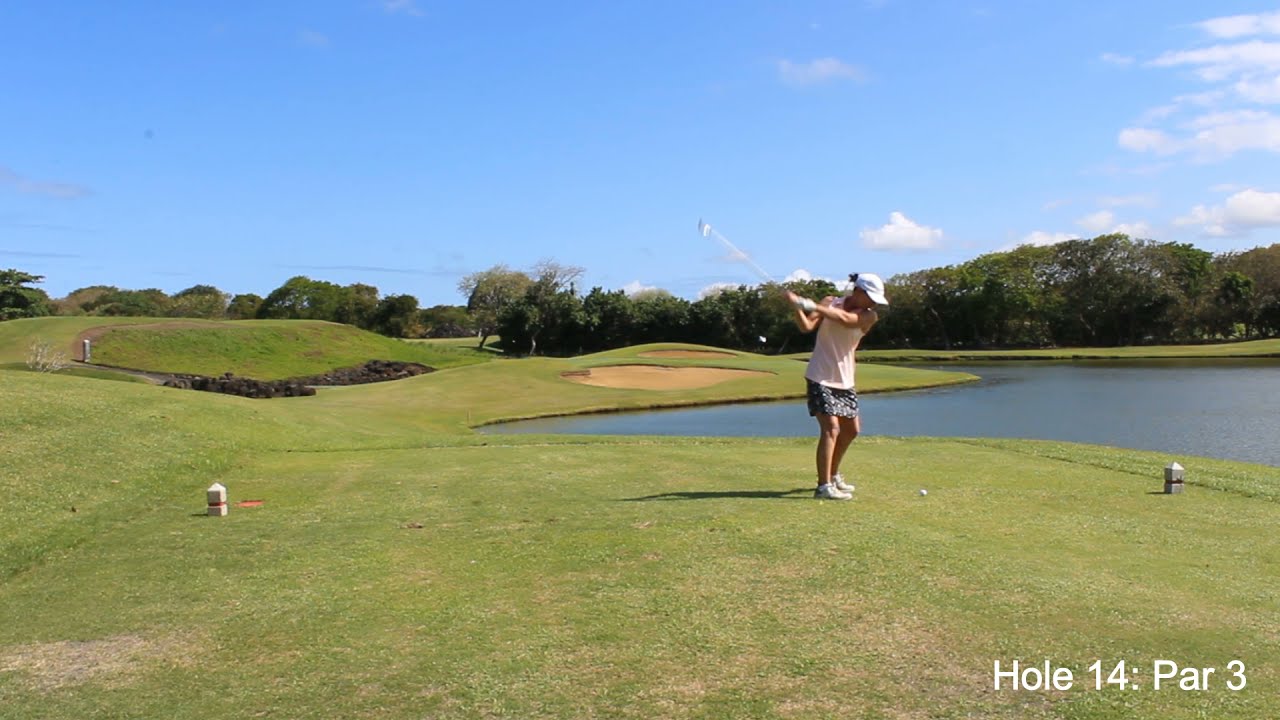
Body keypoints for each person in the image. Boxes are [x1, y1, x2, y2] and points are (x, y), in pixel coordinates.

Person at [784, 273, 889, 500]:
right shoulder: (828, 301)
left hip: (845, 378)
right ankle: (823, 487)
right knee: (831, 428)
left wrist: (810, 304)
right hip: (820, 375)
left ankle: (833, 475)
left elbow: (844, 320)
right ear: (857, 291)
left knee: (852, 430)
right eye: (870, 296)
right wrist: (797, 307)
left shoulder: (869, 316)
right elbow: (806, 326)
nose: (872, 302)